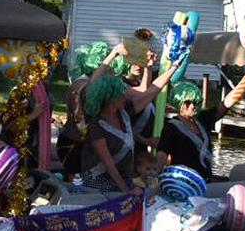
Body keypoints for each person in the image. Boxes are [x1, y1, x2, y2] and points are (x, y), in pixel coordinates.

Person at [79, 60, 177, 193]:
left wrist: (174, 67)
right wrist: (126, 192)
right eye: (121, 94)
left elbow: (153, 90)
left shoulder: (124, 111)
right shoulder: (96, 125)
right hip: (98, 182)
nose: (125, 97)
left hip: (123, 178)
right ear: (110, 99)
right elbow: (109, 164)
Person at [56, 42, 130, 179]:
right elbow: (89, 90)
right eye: (107, 65)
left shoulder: (98, 83)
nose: (110, 69)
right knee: (77, 187)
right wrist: (112, 55)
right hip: (74, 145)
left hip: (87, 145)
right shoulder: (81, 82)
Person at [157, 80, 234, 181]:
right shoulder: (170, 128)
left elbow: (224, 106)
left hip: (205, 179)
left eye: (195, 102)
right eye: (187, 103)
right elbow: (162, 155)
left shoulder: (202, 119)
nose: (192, 106)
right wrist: (156, 175)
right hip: (184, 181)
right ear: (178, 103)